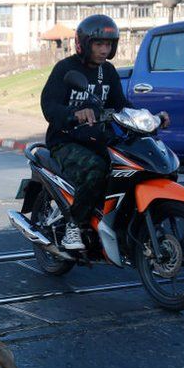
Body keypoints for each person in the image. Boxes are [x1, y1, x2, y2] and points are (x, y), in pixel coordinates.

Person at [39, 14, 129, 250]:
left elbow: (121, 105)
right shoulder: (65, 69)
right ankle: (73, 226)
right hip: (66, 141)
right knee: (95, 169)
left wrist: (150, 116)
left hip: (98, 139)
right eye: (98, 44)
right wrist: (73, 114)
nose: (103, 49)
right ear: (84, 44)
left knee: (128, 168)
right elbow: (49, 105)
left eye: (108, 44)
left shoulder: (107, 71)